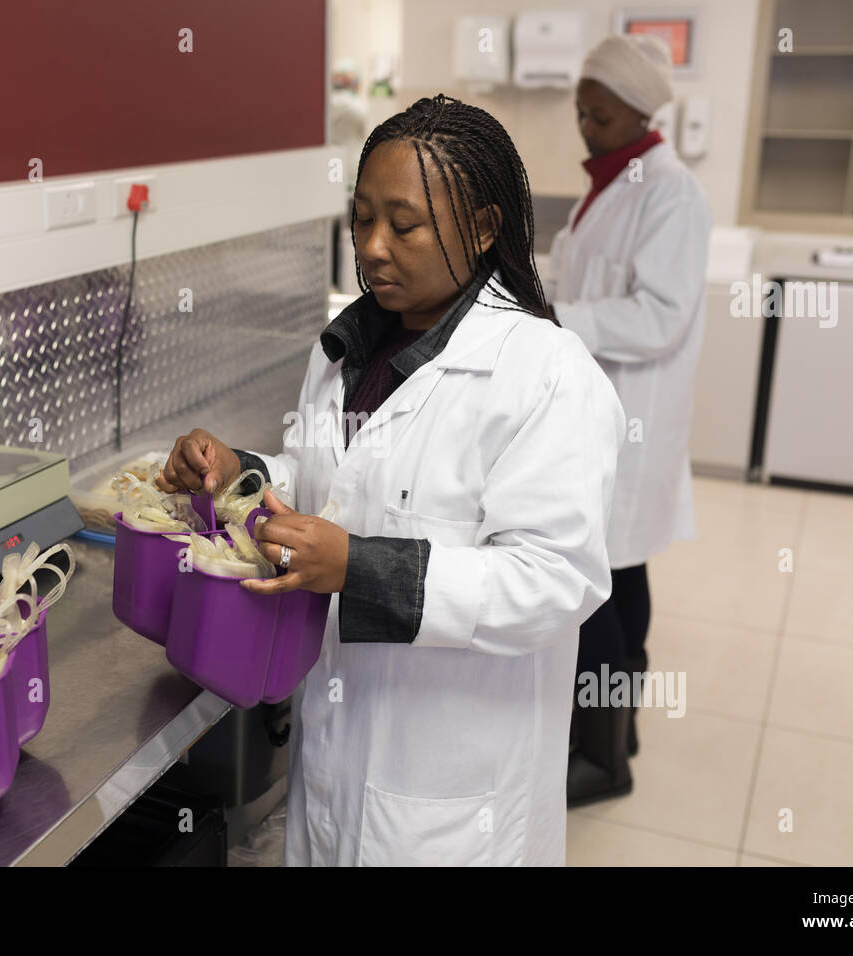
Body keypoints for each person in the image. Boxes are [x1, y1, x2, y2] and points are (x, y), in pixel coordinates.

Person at [157, 95, 624, 866]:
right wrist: (241, 475)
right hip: (339, 747)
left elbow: (555, 580)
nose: (371, 248)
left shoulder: (543, 374)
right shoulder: (347, 352)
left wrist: (361, 568)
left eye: (403, 226)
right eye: (361, 218)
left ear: (481, 227)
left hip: (453, 787)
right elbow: (323, 481)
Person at [540, 35, 712, 805]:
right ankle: (622, 727)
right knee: (624, 568)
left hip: (630, 415)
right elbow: (583, 270)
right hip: (605, 411)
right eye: (581, 110)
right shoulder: (610, 181)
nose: (584, 125)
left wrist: (559, 318)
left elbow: (660, 316)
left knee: (598, 584)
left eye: (598, 114)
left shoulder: (670, 192)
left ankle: (602, 761)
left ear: (639, 111)